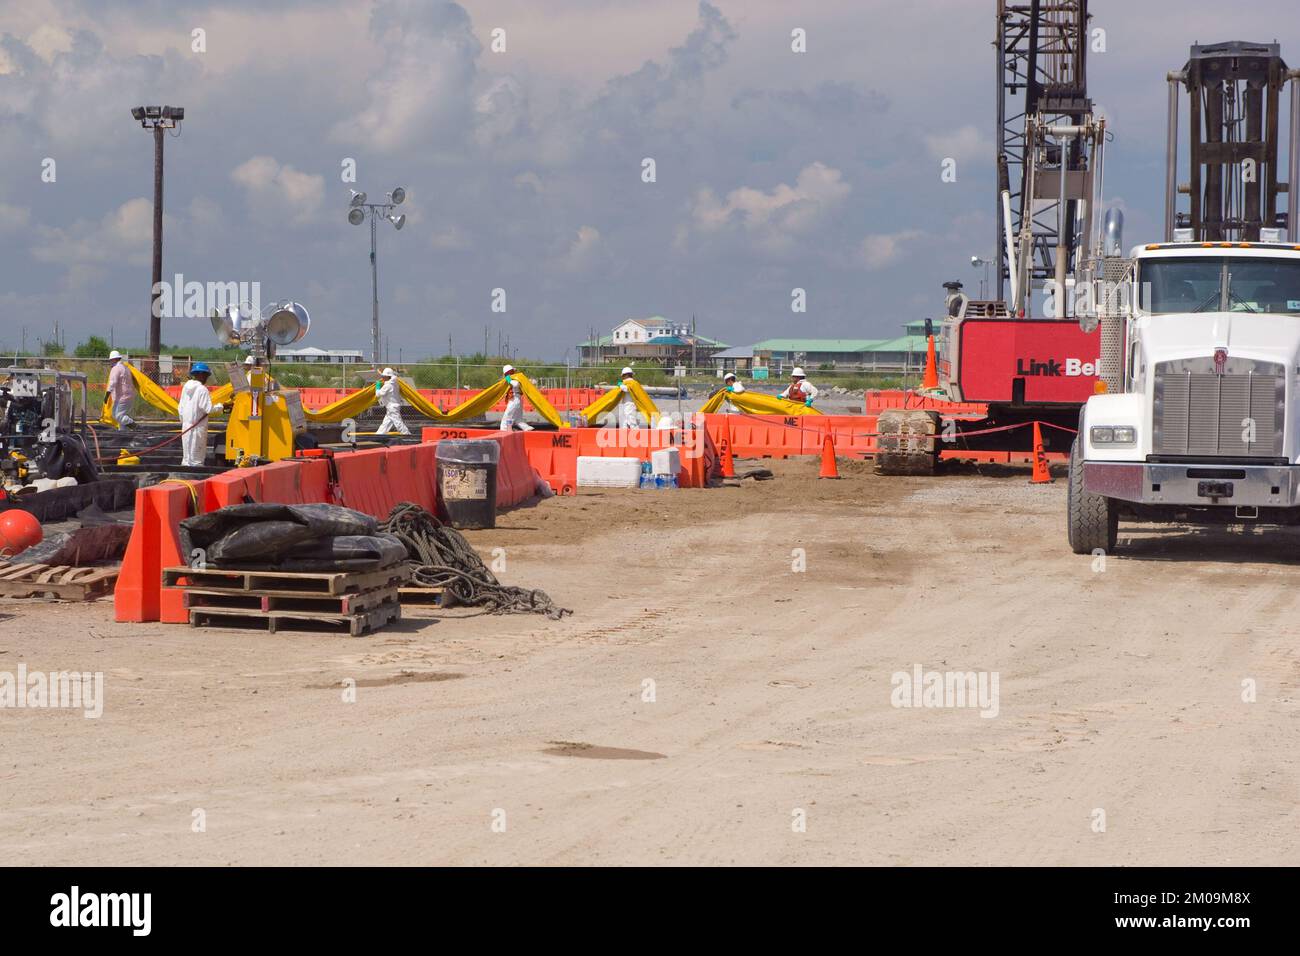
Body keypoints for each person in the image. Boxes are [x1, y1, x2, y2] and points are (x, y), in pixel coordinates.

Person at [179, 363, 223, 467]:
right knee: (196, 460)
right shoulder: (202, 389)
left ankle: (184, 477)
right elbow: (208, 409)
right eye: (206, 376)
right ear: (202, 375)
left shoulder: (186, 388)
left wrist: (185, 422)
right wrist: (221, 406)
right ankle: (195, 479)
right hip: (197, 428)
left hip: (186, 427)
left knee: (187, 458)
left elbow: (180, 408)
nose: (207, 378)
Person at [106, 350, 137, 429]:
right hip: (126, 396)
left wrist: (107, 394)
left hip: (123, 397)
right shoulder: (125, 368)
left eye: (111, 360)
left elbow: (113, 382)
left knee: (119, 416)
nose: (110, 362)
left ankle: (134, 425)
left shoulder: (116, 368)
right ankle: (123, 433)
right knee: (115, 415)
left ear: (114, 359)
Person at [375, 367, 409, 435]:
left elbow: (378, 394)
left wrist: (377, 387)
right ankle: (379, 435)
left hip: (392, 407)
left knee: (398, 423)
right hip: (392, 407)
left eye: (384, 376)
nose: (383, 378)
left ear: (388, 376)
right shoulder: (394, 382)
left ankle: (407, 435)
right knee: (386, 423)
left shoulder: (388, 385)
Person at [499, 364, 534, 432]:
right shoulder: (515, 377)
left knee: (508, 414)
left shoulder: (513, 378)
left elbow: (515, 384)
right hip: (517, 398)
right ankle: (527, 428)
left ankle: (504, 429)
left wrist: (508, 379)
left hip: (514, 399)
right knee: (518, 418)